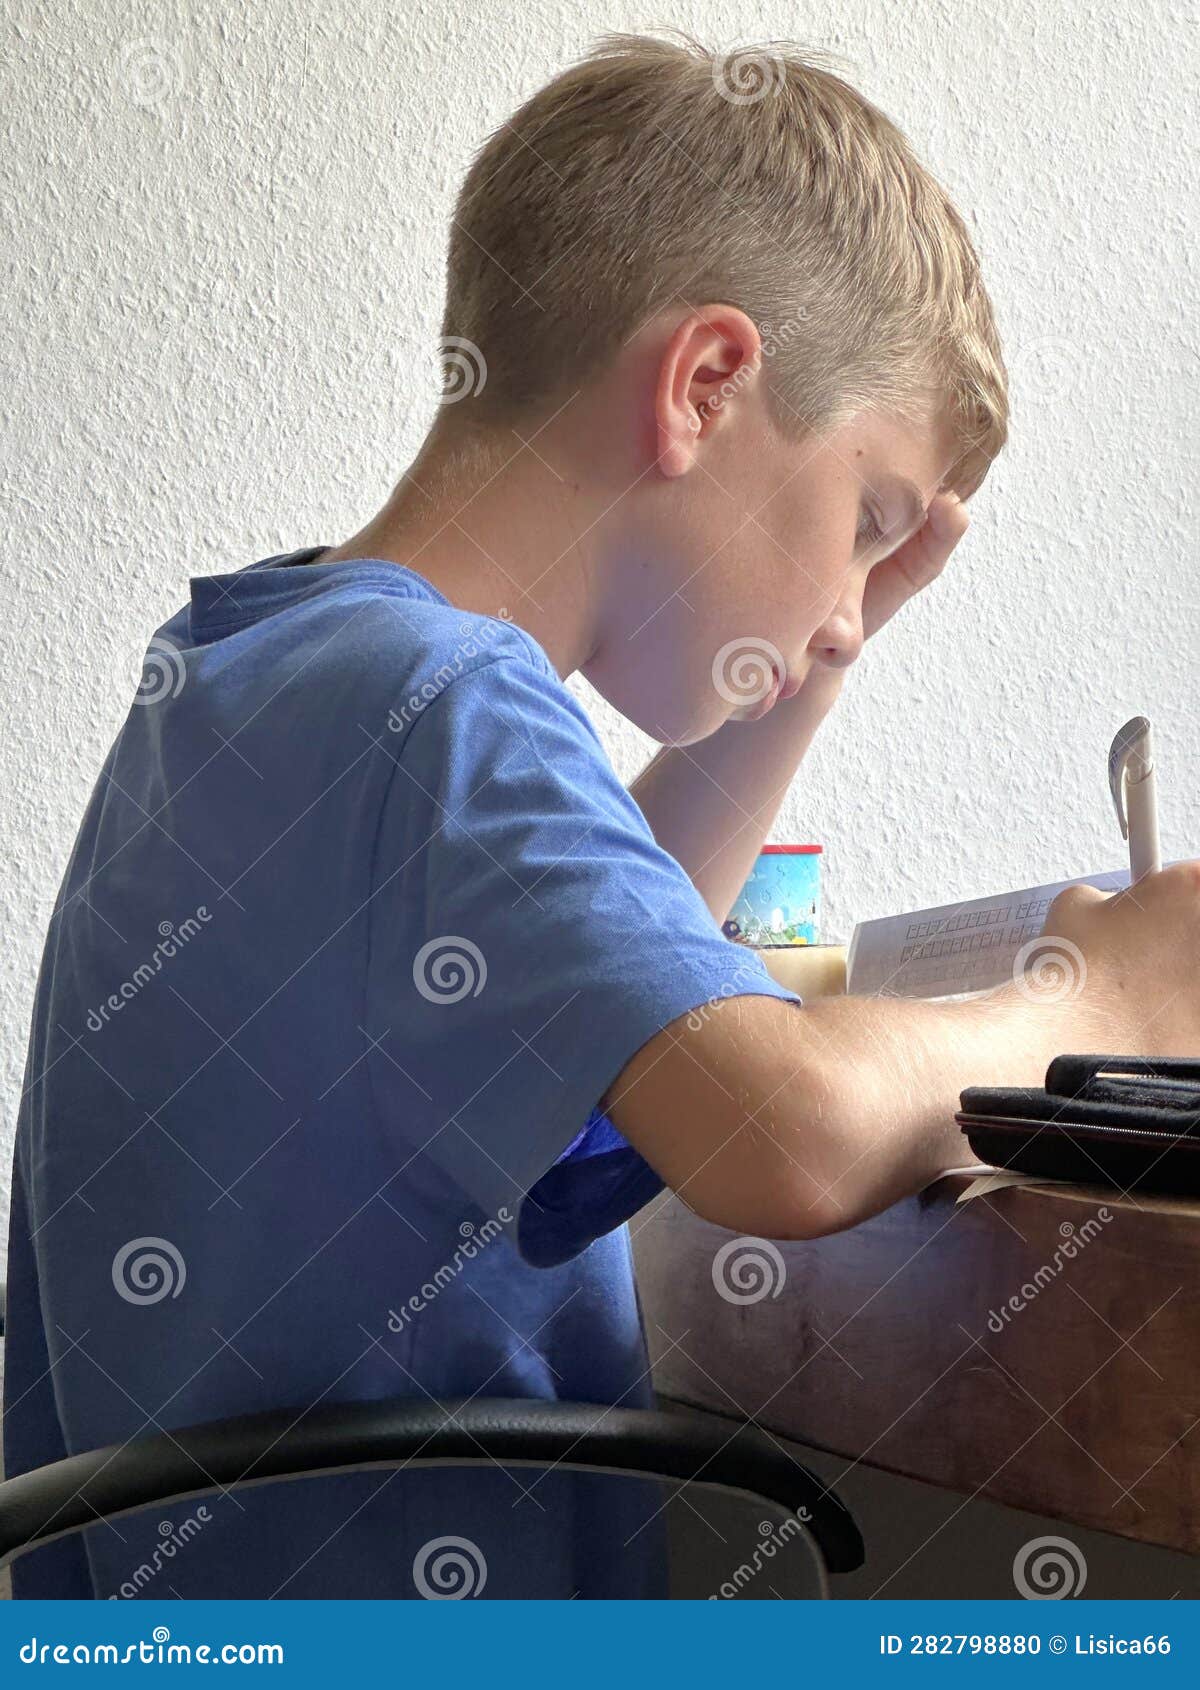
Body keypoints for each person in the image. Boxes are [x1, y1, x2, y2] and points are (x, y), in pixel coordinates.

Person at [6, 31, 1198, 1601]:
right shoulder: (445, 705)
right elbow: (788, 1132)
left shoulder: (261, 668)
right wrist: (1099, 993)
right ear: (706, 384)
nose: (850, 603)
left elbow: (603, 974)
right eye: (866, 520)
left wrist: (798, 673)